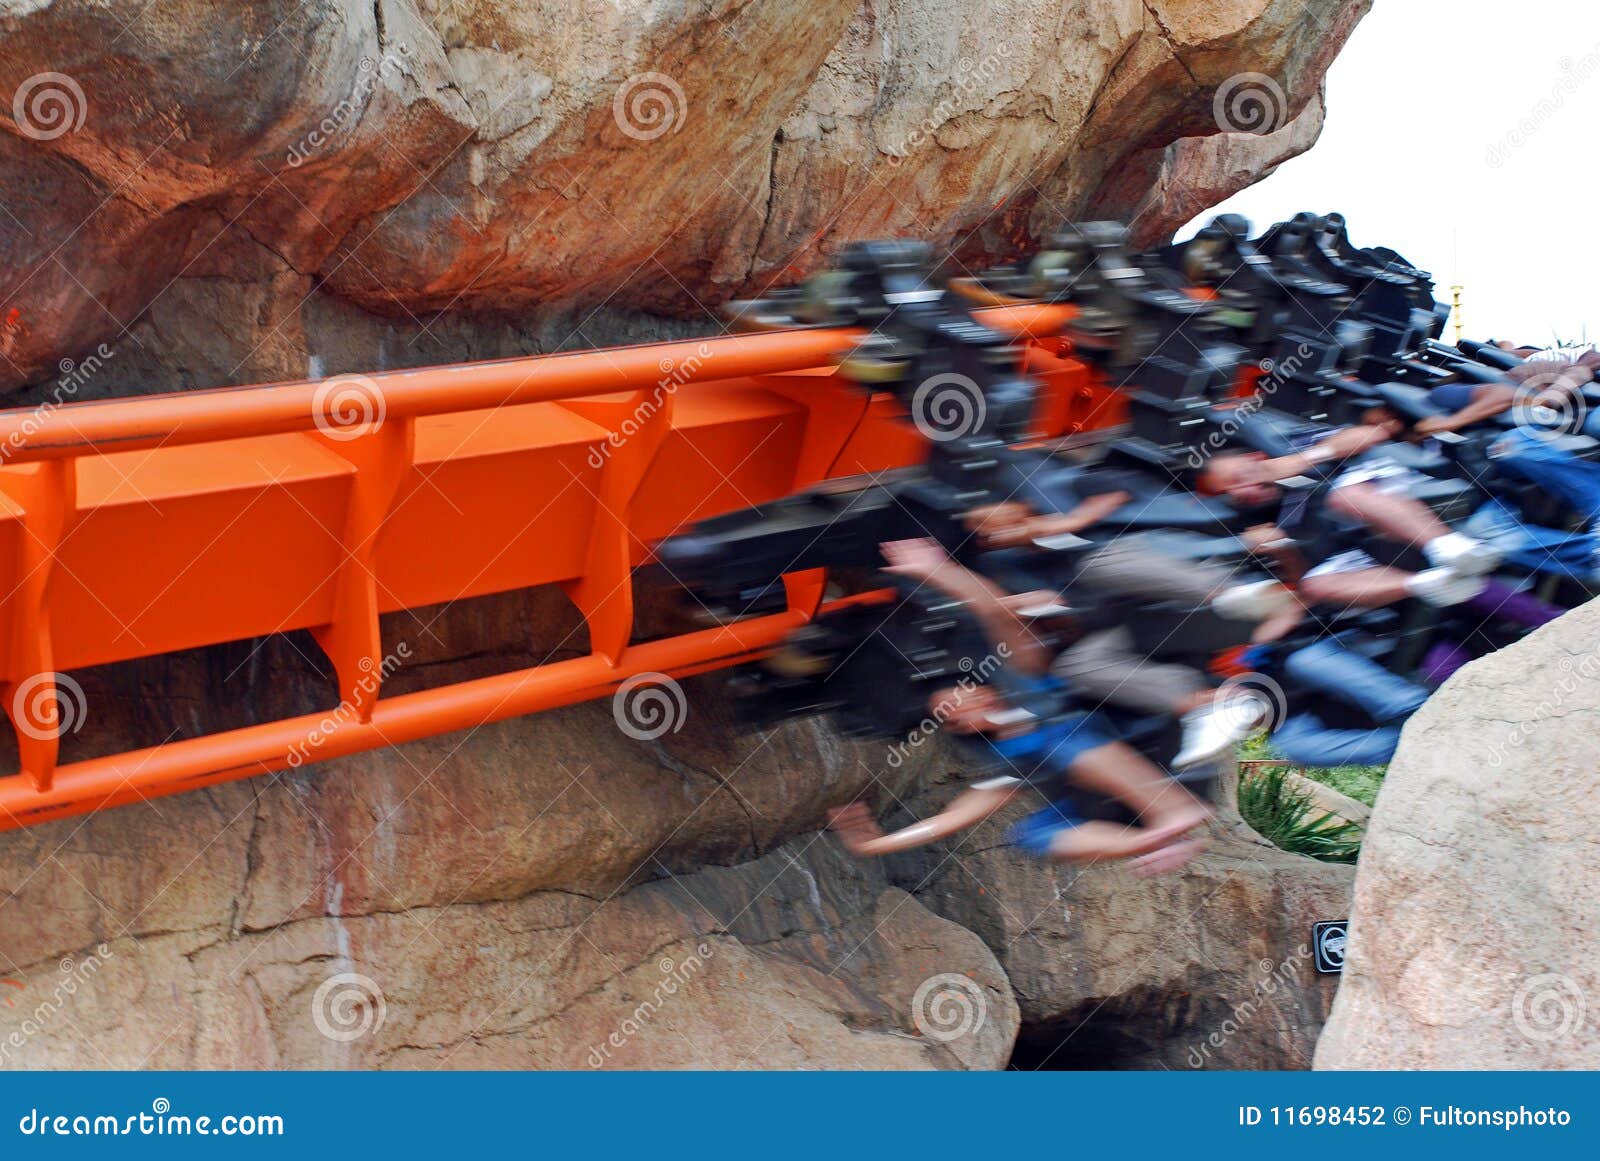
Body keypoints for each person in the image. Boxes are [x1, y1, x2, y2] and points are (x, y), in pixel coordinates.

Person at [826, 538, 1212, 873]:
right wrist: (875, 845)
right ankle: (1148, 843)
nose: (956, 712)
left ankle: (1171, 810)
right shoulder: (1008, 762)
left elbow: (993, 609)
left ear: (982, 690)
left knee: (1061, 738)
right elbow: (954, 817)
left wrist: (938, 571)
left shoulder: (1025, 678)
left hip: (1152, 749)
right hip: (1109, 805)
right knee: (1031, 837)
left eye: (958, 701)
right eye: (951, 719)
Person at [962, 496, 1300, 767]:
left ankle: (1233, 595)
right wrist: (1043, 609)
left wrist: (1062, 527)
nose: (995, 536)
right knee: (1075, 666)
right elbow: (1049, 641)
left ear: (1020, 511)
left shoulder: (1072, 506)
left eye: (995, 524)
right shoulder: (1009, 570)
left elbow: (1120, 513)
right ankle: (1209, 707)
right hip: (1131, 625)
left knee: (1094, 565)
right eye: (985, 536)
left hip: (1188, 576)